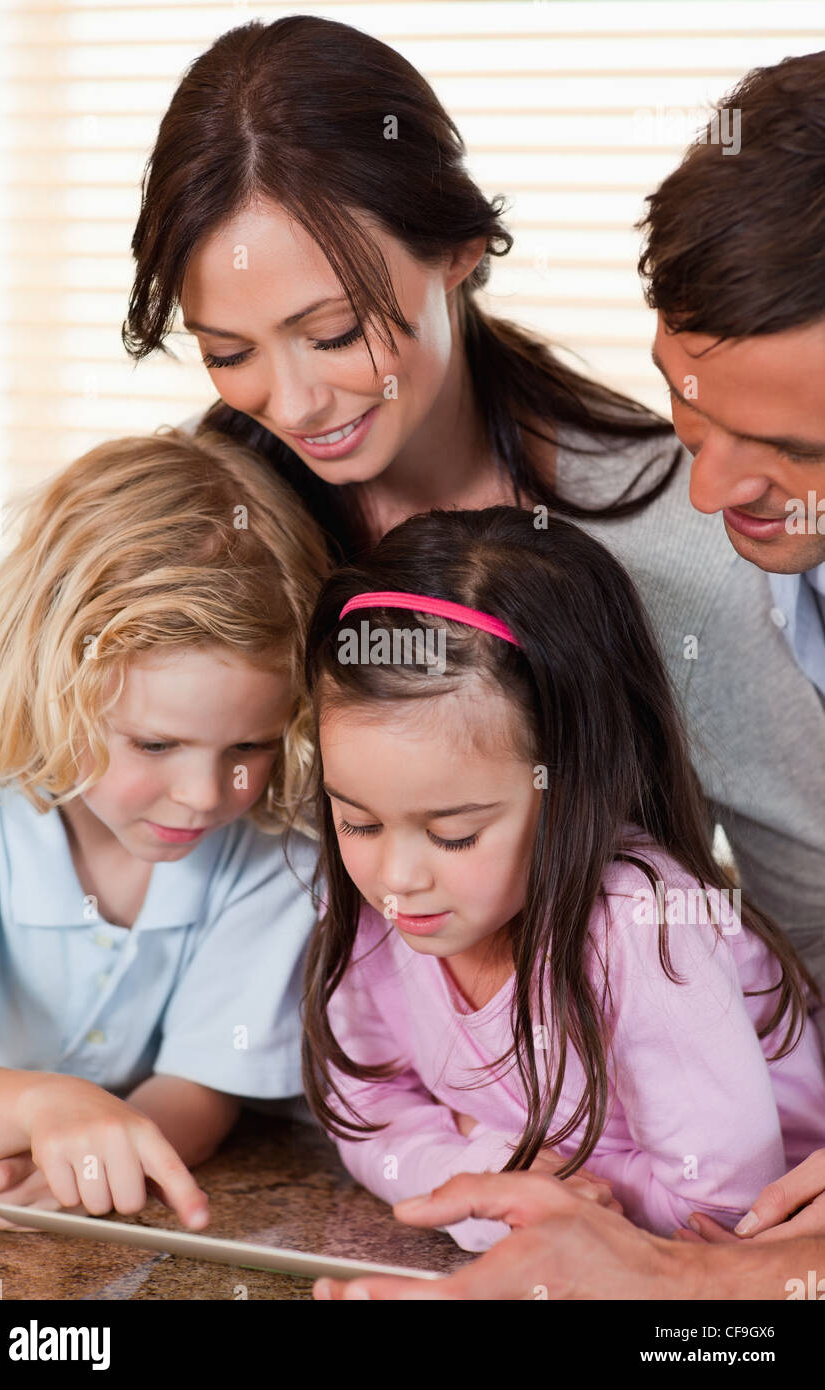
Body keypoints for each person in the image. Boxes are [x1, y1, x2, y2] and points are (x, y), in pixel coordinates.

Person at [124, 18, 825, 1033]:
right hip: (242, 1106)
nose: (292, 401)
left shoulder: (678, 533)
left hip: (575, 1124)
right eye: (228, 350)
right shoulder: (208, 534)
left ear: (458, 250)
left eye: (332, 334)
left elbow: (808, 911)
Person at [313, 48, 825, 1300]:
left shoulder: (641, 937)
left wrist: (672, 1265)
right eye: (686, 414)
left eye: (788, 446)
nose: (701, 497)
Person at [294, 505, 825, 1259]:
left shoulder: (647, 929)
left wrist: (537, 1179)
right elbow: (366, 1108)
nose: (397, 878)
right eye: (359, 822)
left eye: (455, 834)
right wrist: (483, 1173)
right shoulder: (370, 911)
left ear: (574, 788)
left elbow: (723, 1212)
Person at [0, 428, 327, 1230]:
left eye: (250, 746)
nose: (202, 795)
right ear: (51, 681)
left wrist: (91, 1154)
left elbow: (200, 1085)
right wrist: (48, 1109)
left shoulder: (279, 847)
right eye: (155, 745)